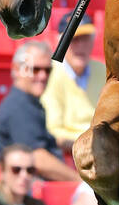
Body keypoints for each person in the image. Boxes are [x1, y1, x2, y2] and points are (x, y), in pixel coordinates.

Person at [0, 40, 78, 179]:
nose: (43, 76)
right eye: (35, 69)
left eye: (47, 70)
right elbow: (38, 159)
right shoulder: (19, 106)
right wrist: (83, 184)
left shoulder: (29, 103)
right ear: (17, 69)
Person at [40, 13, 106, 150]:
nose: (80, 45)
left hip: (105, 145)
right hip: (72, 152)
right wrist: (90, 144)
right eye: (74, 39)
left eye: (85, 38)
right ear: (61, 43)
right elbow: (54, 131)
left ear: (93, 41)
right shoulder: (50, 72)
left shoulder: (102, 70)